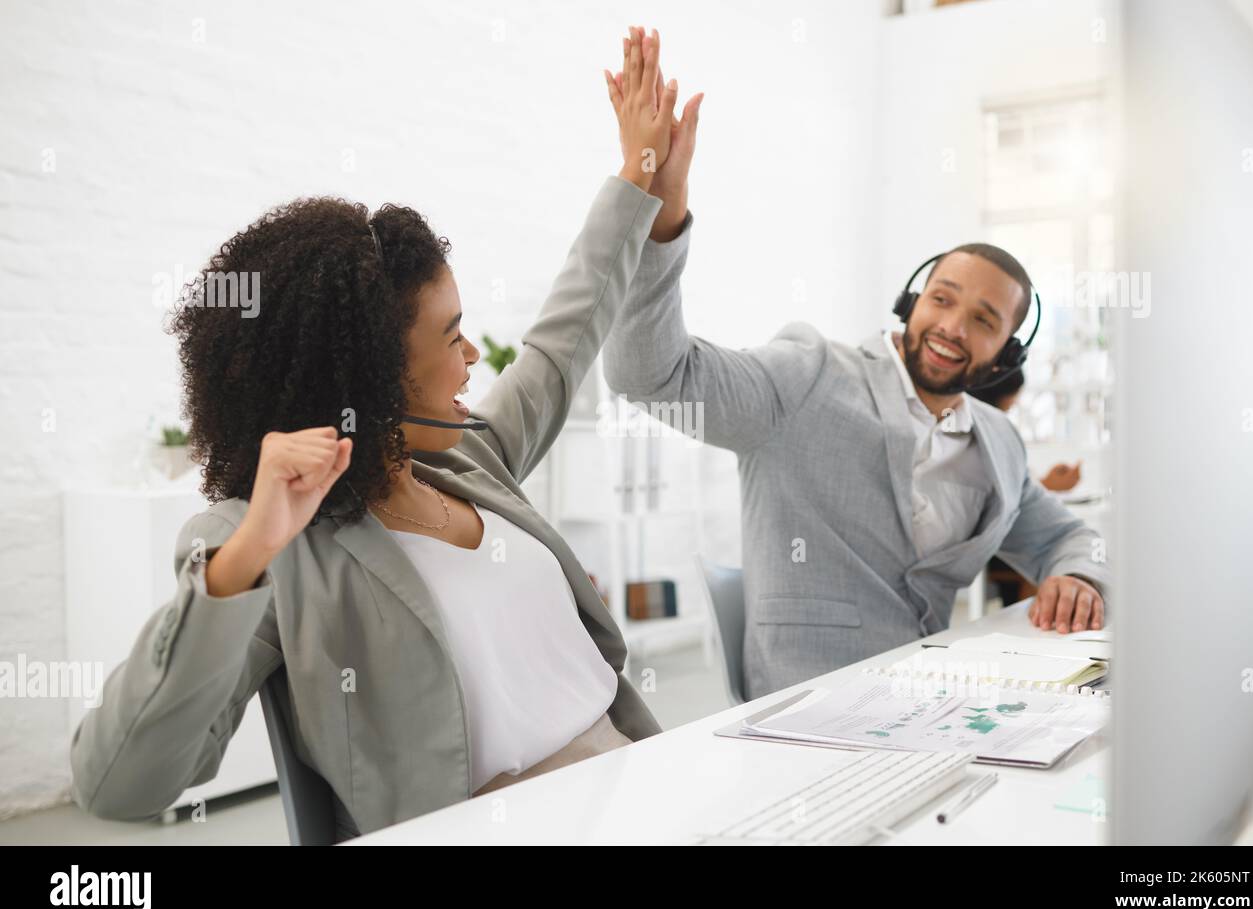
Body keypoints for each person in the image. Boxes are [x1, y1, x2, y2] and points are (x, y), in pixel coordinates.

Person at [70, 27, 699, 842]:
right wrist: (244, 557)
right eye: (451, 337)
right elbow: (118, 781)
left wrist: (639, 175)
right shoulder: (268, 546)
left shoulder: (462, 456)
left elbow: (560, 340)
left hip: (638, 783)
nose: (475, 355)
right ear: (368, 384)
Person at [604, 192, 1110, 699]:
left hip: (932, 698)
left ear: (1007, 354)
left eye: (984, 321)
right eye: (942, 299)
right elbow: (649, 377)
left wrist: (1076, 577)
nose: (953, 327)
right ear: (912, 303)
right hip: (809, 700)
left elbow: (1066, 539)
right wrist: (661, 221)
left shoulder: (998, 443)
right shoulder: (806, 375)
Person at [968, 369, 1083, 607]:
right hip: (994, 547)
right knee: (1031, 558)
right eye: (1010, 404)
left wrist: (1046, 483)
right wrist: (1049, 485)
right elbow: (999, 498)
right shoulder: (976, 433)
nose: (1013, 407)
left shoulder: (1000, 436)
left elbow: (1015, 489)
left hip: (1005, 541)